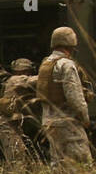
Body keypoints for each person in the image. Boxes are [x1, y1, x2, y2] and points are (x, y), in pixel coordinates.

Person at [36, 27, 92, 164]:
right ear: (71, 43)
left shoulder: (46, 63)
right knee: (82, 163)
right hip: (67, 123)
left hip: (49, 122)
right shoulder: (66, 65)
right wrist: (85, 118)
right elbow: (74, 97)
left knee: (58, 164)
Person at [0, 58, 41, 165]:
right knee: (16, 158)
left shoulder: (11, 80)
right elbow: (36, 80)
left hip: (10, 125)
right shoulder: (17, 79)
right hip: (7, 126)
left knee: (19, 155)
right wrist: (49, 72)